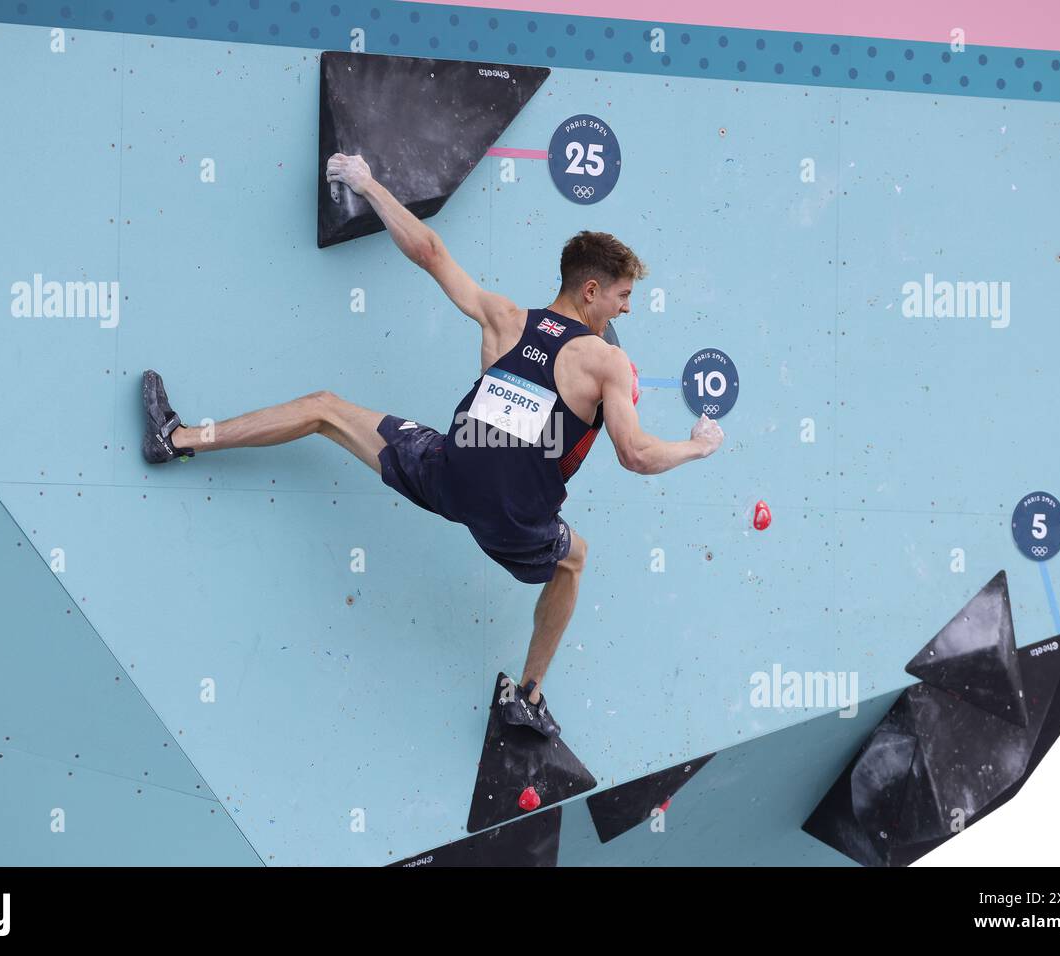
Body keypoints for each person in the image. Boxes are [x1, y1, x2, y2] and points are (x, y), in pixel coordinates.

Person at [142, 153, 724, 738]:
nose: (626, 308)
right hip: (514, 520)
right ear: (592, 290)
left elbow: (430, 253)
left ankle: (178, 438)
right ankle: (527, 696)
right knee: (574, 561)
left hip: (447, 475)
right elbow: (637, 455)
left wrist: (367, 183)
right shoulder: (607, 362)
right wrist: (697, 446)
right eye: (623, 296)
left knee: (325, 408)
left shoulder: (504, 317)